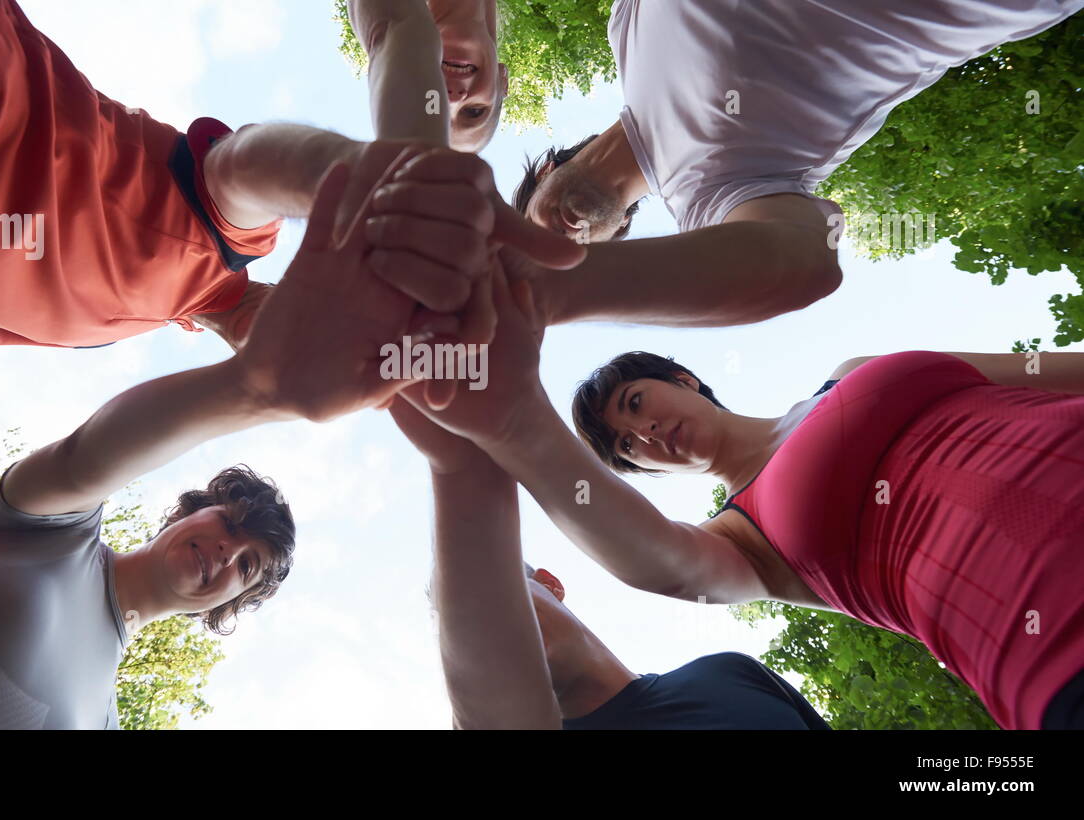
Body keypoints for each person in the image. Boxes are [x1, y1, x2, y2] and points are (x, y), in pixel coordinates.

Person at [0, 152, 457, 729]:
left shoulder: (102, 716)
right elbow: (88, 458)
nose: (226, 553)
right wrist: (258, 388)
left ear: (229, 605)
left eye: (246, 567)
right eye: (228, 524)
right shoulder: (56, 532)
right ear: (186, 513)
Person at [398, 271, 1084, 730]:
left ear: (683, 376)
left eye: (635, 403)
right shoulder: (738, 539)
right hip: (1056, 645)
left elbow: (1046, 376)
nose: (643, 431)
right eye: (626, 446)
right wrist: (513, 417)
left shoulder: (849, 375)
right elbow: (658, 560)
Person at [0, 0, 574, 352]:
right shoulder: (233, 243)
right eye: (470, 112)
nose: (456, 99)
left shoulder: (105, 330)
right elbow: (256, 162)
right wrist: (377, 185)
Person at [511, 0, 1083, 320]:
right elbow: (801, 262)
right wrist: (545, 297)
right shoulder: (710, 198)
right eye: (574, 255)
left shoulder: (626, 27)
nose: (566, 238)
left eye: (537, 233)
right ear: (619, 236)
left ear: (542, 176)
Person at [389, 347, 829, 730]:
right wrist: (460, 461)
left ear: (551, 585)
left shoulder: (731, 675)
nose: (490, 630)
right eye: (462, 630)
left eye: (495, 600)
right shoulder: (742, 541)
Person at [348, 0, 507, 153]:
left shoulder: (405, 34)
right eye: (473, 112)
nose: (452, 99)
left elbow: (396, 28)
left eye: (430, 102)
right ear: (503, 82)